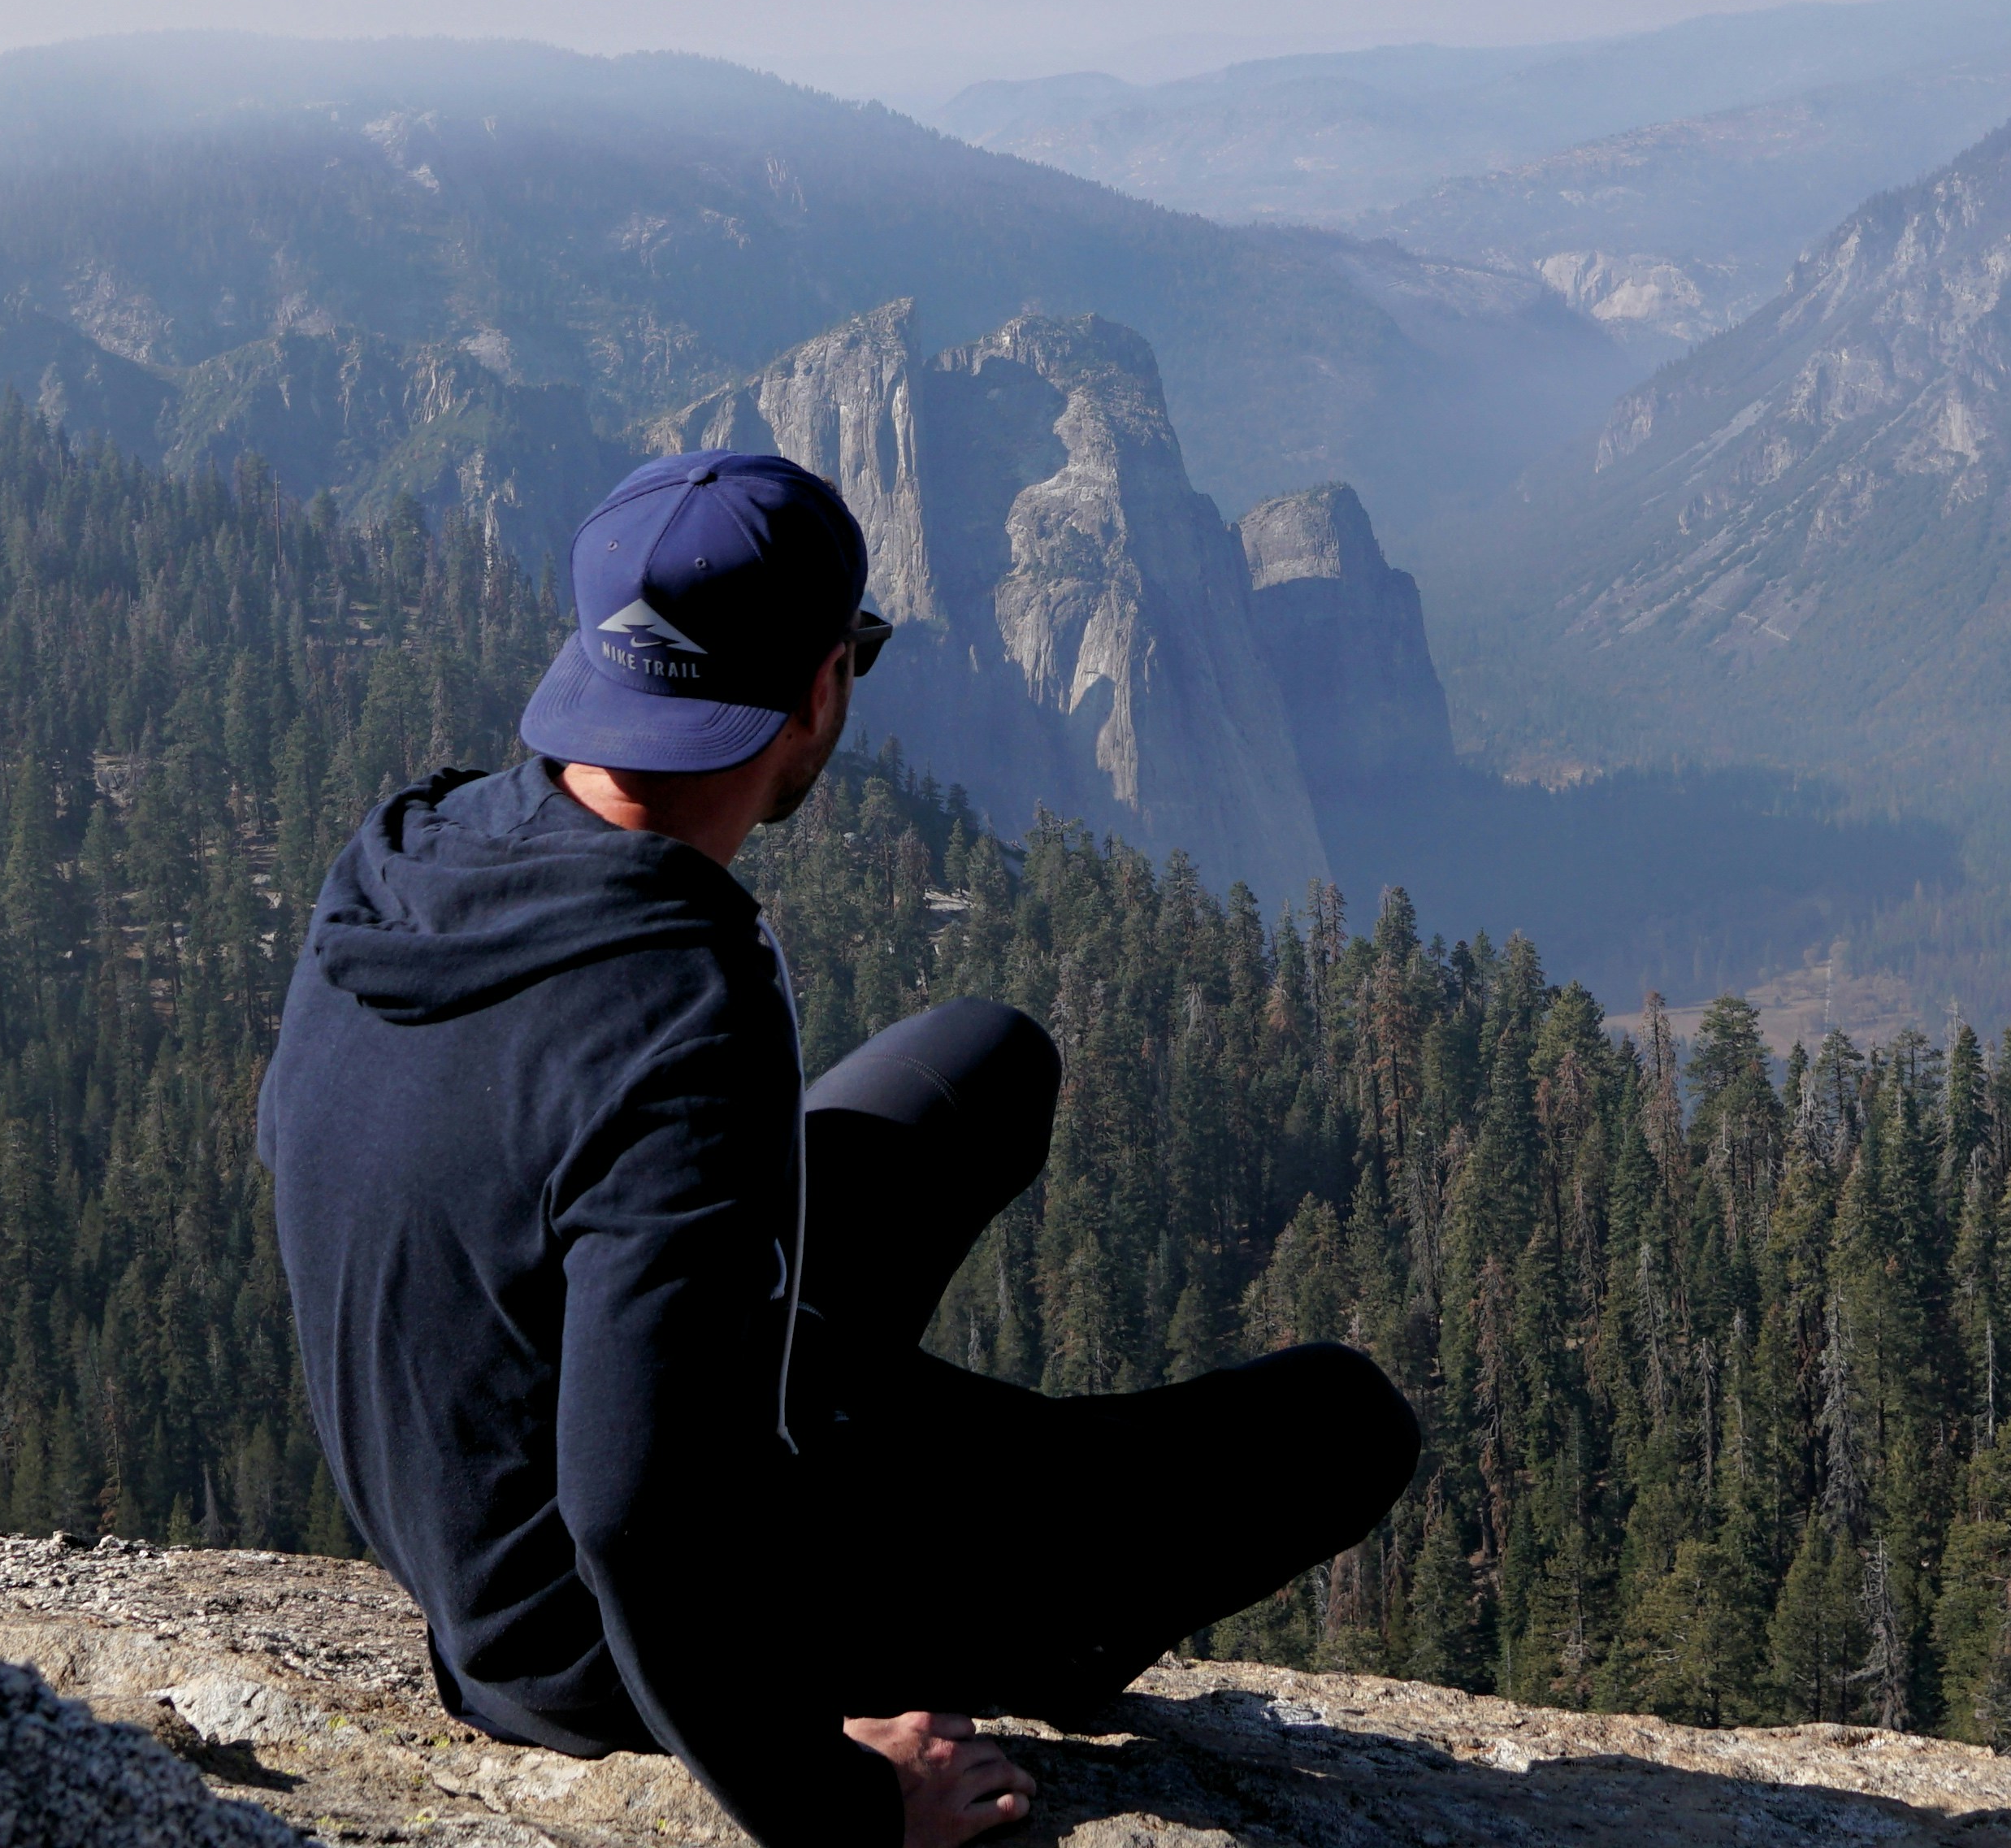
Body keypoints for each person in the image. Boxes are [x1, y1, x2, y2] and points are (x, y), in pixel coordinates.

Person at [259, 449, 1421, 1848]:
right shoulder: (675, 1020)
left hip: (515, 1468)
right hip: (595, 1634)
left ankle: (903, 1466)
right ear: (820, 690)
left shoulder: (413, 843)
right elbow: (632, 1517)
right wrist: (848, 1799)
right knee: (1342, 1425)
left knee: (990, 1062)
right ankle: (1046, 1627)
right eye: (856, 652)